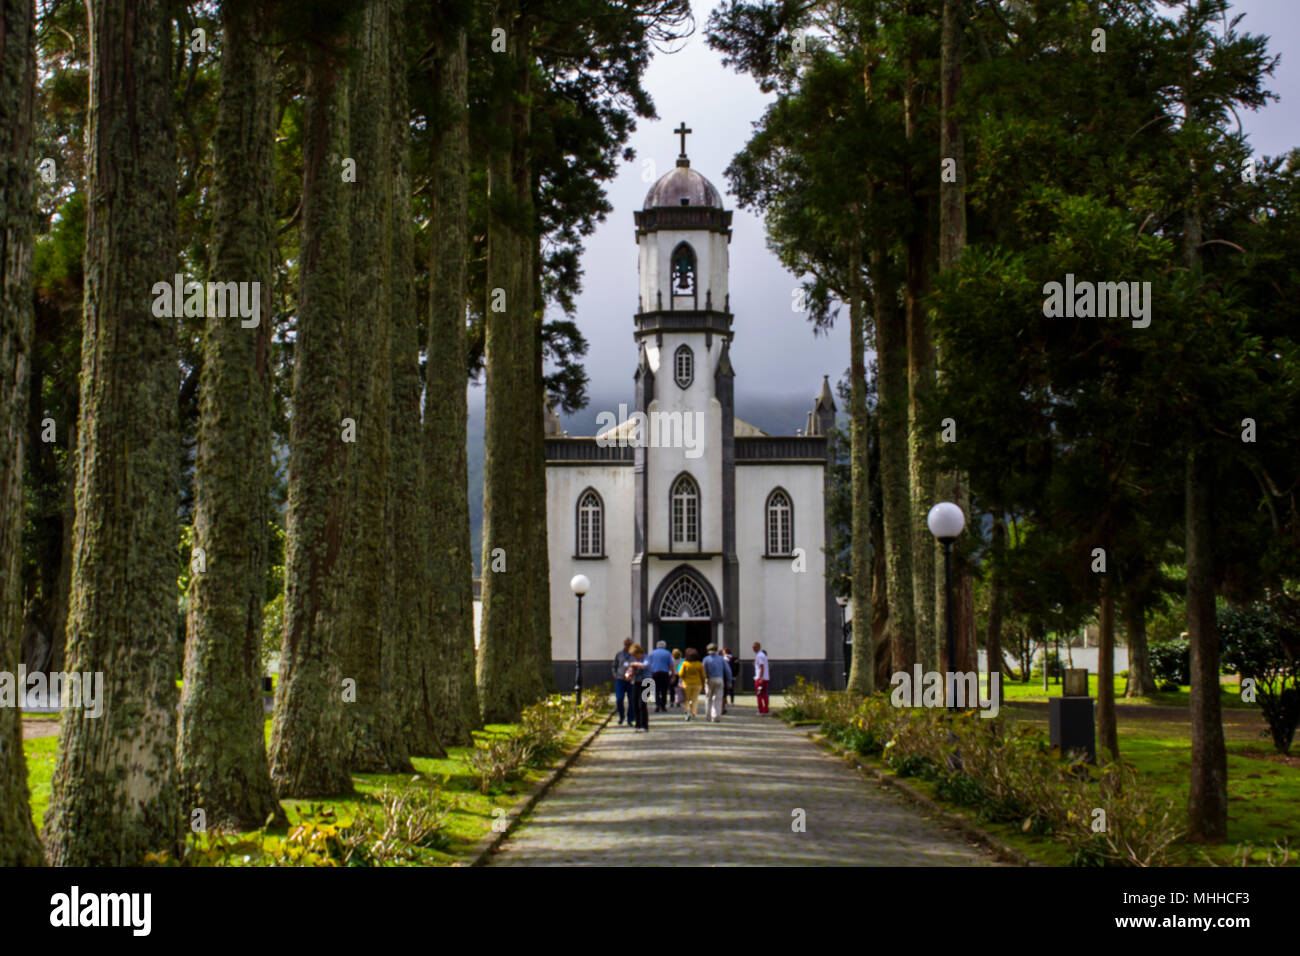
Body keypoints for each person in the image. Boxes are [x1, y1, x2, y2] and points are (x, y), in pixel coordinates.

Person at [702, 644, 732, 723]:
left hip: (709, 679)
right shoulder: (721, 659)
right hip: (719, 679)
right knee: (718, 698)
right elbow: (728, 671)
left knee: (708, 698)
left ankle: (708, 716)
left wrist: (703, 681)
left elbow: (703, 671)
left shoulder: (706, 659)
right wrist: (729, 682)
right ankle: (716, 717)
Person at [626, 644, 650, 731]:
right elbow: (630, 669)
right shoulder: (634, 660)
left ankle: (644, 725)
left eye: (635, 655)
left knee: (642, 704)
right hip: (636, 682)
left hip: (647, 681)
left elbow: (645, 665)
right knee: (635, 703)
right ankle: (638, 724)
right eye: (633, 655)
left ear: (640, 653)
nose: (635, 657)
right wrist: (628, 674)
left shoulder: (647, 657)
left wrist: (635, 664)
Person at [647, 640, 675, 713]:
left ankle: (657, 704)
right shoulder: (668, 653)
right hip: (664, 673)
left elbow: (648, 664)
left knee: (656, 690)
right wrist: (673, 675)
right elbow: (671, 665)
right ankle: (663, 706)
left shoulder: (652, 653)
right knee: (664, 690)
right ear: (664, 646)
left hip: (655, 673)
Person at [678, 648, 706, 721]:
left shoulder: (685, 664)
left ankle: (687, 713)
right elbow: (703, 676)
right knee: (695, 700)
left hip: (687, 684)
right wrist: (703, 685)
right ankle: (694, 715)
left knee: (687, 700)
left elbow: (680, 674)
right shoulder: (699, 664)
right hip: (697, 684)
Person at [613, 638, 635, 725]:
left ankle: (630, 719)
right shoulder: (619, 655)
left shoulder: (634, 655)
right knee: (619, 698)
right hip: (620, 680)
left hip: (631, 681)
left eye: (629, 644)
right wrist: (616, 675)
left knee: (631, 700)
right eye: (626, 644)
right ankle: (621, 716)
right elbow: (614, 666)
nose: (627, 646)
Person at [752, 641, 770, 715]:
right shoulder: (762, 655)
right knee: (764, 694)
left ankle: (761, 710)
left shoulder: (759, 655)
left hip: (760, 678)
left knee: (759, 694)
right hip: (764, 677)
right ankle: (765, 709)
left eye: (754, 647)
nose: (753, 648)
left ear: (758, 647)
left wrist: (761, 677)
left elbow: (761, 666)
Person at [721, 648, 737, 714]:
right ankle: (732, 701)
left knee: (724, 692)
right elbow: (737, 668)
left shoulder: (723, 659)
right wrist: (735, 675)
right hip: (732, 676)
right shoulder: (735, 658)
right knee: (731, 689)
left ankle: (725, 704)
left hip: (724, 677)